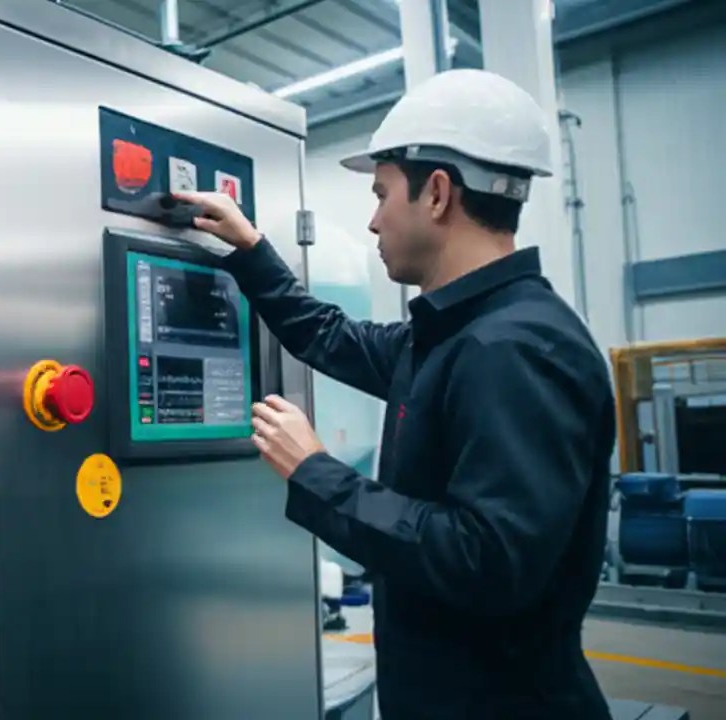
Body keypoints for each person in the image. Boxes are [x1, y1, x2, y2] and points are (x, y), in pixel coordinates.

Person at [175, 69, 616, 719]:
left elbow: (486, 560)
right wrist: (250, 249)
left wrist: (315, 472)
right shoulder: (452, 335)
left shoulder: (515, 350)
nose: (374, 219)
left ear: (436, 194)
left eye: (382, 194)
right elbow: (329, 336)